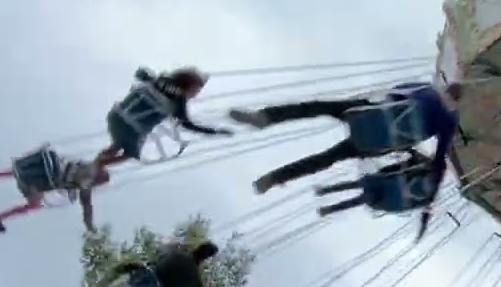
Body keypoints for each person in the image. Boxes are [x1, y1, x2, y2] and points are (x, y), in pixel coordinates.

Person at [227, 81, 462, 196]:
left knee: (319, 107)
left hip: (367, 116)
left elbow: (394, 92)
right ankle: (274, 178)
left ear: (445, 89)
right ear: (456, 102)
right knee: (326, 159)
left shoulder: (428, 90)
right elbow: (440, 158)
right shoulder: (449, 122)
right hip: (376, 143)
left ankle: (266, 117)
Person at [97, 67, 230, 167]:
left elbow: (140, 73)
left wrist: (149, 78)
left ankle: (92, 166)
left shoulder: (159, 80)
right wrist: (215, 131)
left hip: (116, 116)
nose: (195, 94)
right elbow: (188, 125)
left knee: (116, 146)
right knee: (129, 154)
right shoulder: (179, 100)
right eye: (196, 90)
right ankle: (94, 167)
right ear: (189, 86)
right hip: (131, 129)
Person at [0, 145, 109, 233]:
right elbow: (87, 207)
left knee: (34, 199)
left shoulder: (82, 166)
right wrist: (89, 226)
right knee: (36, 204)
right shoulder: (85, 180)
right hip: (40, 182)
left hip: (37, 181)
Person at [314, 150, 441, 240]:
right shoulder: (421, 161)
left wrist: (422, 230)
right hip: (387, 184)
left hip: (388, 191)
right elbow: (426, 212)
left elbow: (426, 212)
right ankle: (326, 195)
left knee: (358, 193)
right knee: (357, 188)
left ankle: (328, 202)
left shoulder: (425, 171)